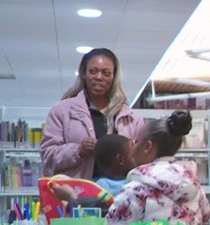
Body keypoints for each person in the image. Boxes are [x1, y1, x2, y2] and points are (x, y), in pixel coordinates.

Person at [40, 48, 144, 179]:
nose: (99, 77)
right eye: (93, 71)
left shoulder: (131, 118)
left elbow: (143, 159)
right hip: (77, 193)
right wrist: (78, 150)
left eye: (106, 73)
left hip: (121, 194)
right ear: (83, 73)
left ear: (114, 77)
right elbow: (47, 156)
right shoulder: (62, 111)